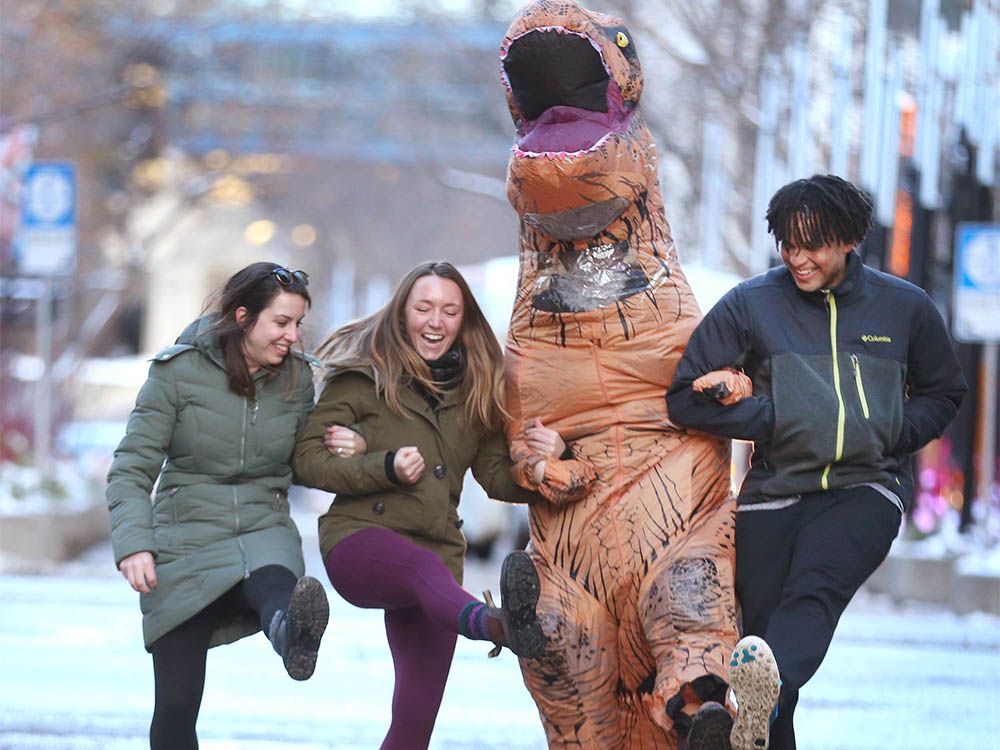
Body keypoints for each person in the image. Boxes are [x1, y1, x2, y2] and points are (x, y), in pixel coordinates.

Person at [666, 174, 968, 750]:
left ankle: (762, 698)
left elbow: (945, 392)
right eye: (787, 244)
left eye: (813, 245)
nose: (797, 258)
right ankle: (762, 715)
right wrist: (769, 418)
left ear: (849, 240)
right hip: (773, 493)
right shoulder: (751, 304)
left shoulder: (904, 308)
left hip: (866, 486)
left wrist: (895, 430)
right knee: (761, 648)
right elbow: (684, 397)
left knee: (813, 590)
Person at [292, 260, 564, 750]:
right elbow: (307, 460)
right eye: (424, 308)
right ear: (402, 313)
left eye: (449, 311)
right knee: (421, 569)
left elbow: (495, 476)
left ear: (464, 320)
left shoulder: (476, 388)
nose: (435, 321)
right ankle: (496, 625)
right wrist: (384, 467)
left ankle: (493, 622)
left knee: (414, 724)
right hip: (360, 541)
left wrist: (548, 468)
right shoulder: (363, 377)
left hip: (438, 553)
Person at [106, 262, 331, 750]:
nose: (293, 336)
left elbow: (306, 465)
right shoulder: (177, 372)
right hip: (185, 537)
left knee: (277, 586)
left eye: (298, 324)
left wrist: (343, 447)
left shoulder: (296, 381)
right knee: (176, 705)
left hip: (262, 524)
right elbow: (131, 467)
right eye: (281, 322)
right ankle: (290, 630)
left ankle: (295, 636)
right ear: (243, 317)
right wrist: (134, 545)